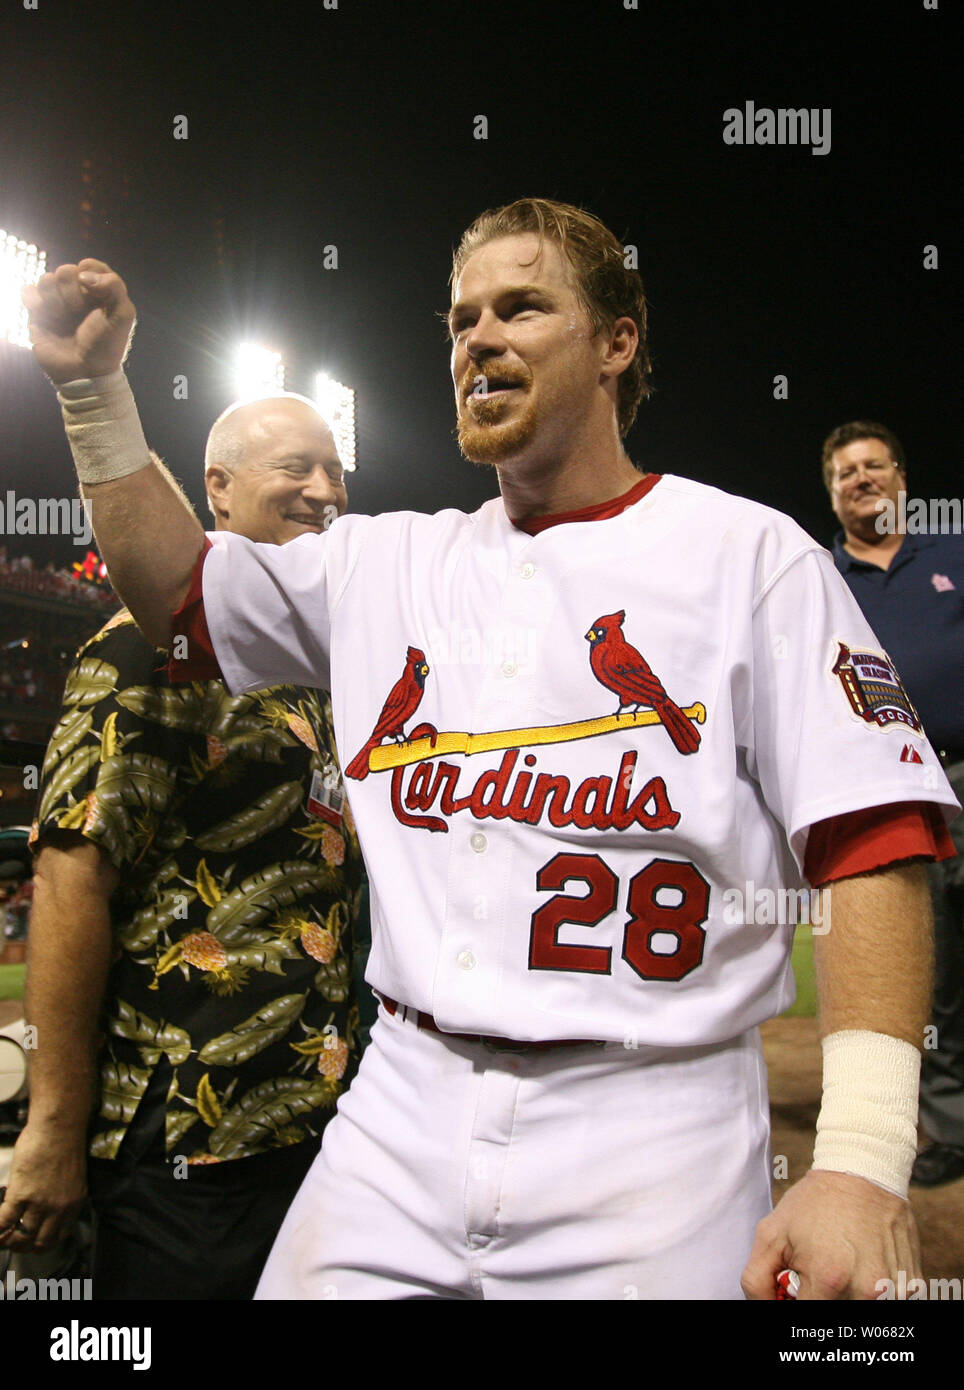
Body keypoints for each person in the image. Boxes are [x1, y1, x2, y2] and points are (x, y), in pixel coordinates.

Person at [18, 200, 959, 1300]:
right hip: (402, 1097)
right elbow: (178, 591)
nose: (478, 337)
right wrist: (92, 394)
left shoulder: (751, 557)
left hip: (653, 1126)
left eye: (522, 306)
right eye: (462, 318)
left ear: (617, 341)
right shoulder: (387, 564)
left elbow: (874, 841)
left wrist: (855, 1154)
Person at [0, 392, 371, 1299]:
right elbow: (71, 875)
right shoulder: (143, 649)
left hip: (316, 1128)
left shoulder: (321, 662)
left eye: (335, 471)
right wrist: (52, 1125)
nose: (324, 490)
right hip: (186, 1143)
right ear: (218, 487)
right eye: (295, 469)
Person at [824, 420, 964, 1188]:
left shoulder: (953, 554)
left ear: (901, 479)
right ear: (832, 490)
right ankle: (947, 1124)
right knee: (928, 962)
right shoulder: (821, 578)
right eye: (845, 472)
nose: (861, 479)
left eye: (874, 465)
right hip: (891, 790)